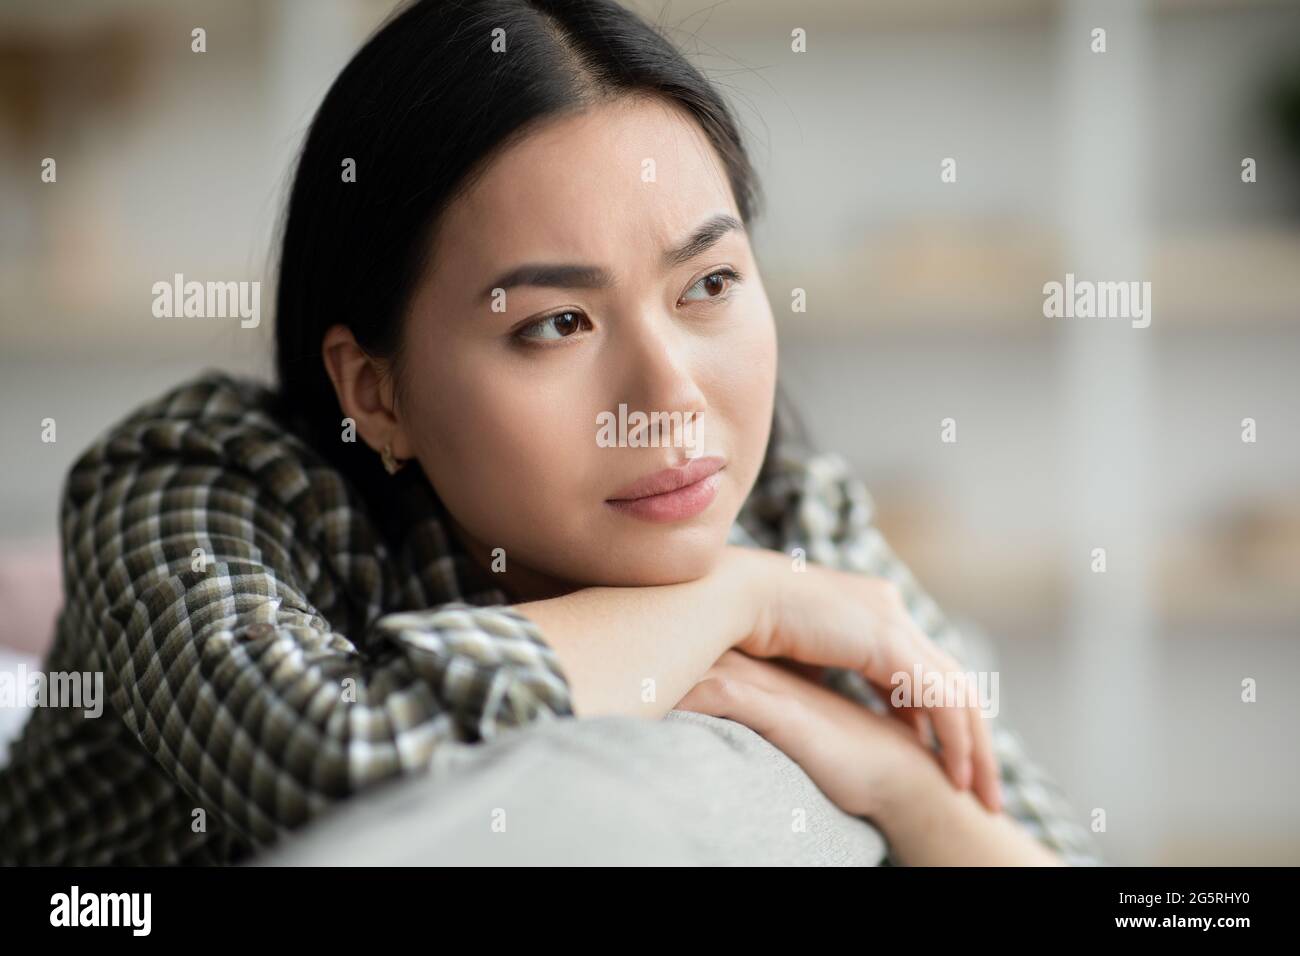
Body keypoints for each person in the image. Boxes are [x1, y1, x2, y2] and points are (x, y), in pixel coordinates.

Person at [0, 0, 1101, 866]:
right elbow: (342, 770)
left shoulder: (788, 507)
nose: (668, 395)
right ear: (374, 391)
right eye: (555, 322)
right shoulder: (188, 479)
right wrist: (736, 596)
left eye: (708, 281)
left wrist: (899, 785)